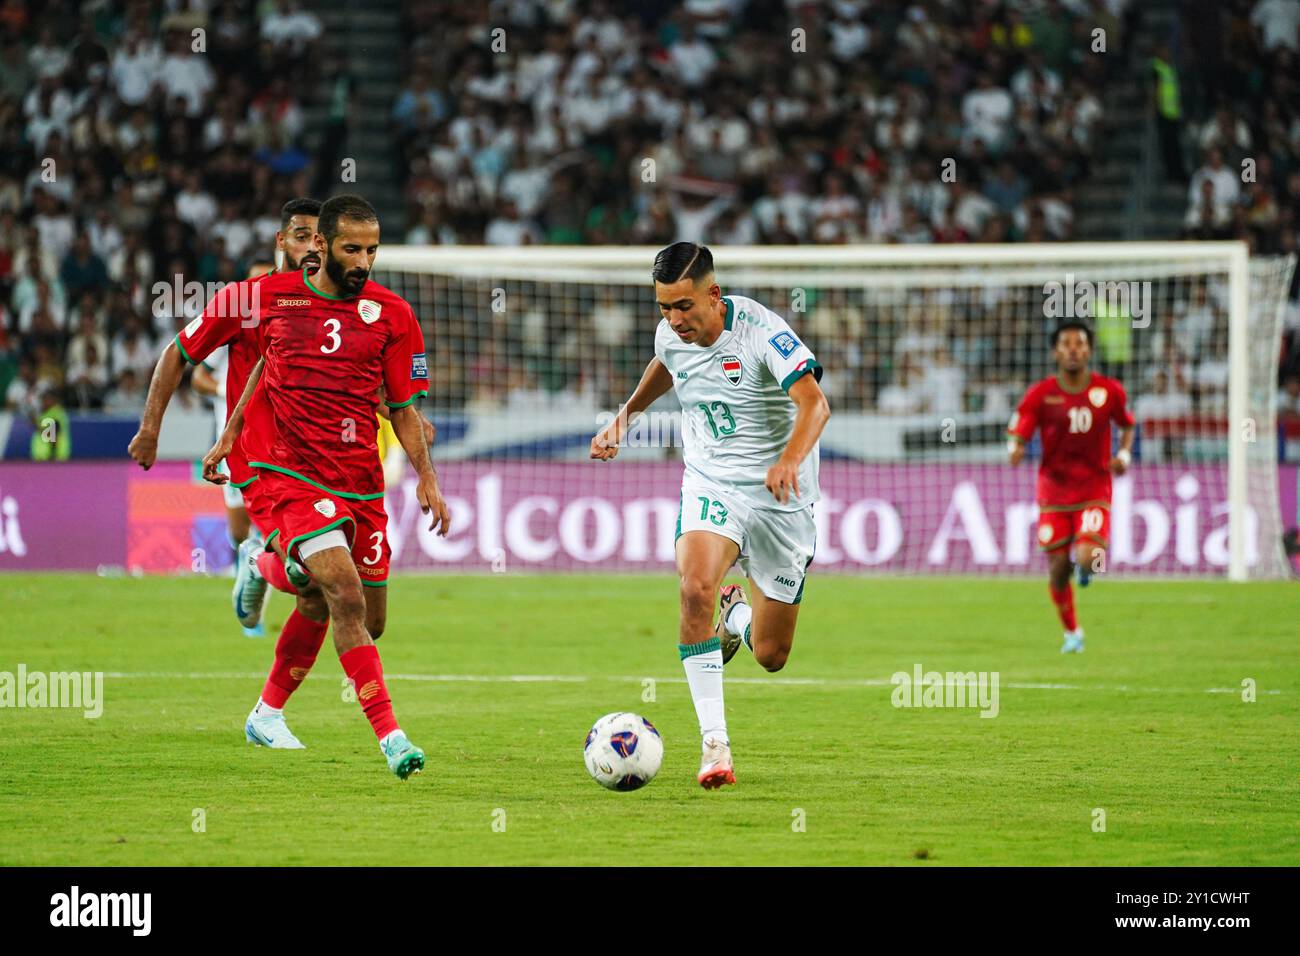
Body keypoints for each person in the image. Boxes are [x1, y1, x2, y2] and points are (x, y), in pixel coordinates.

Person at [204, 194, 450, 779]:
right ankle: (393, 739)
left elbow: (404, 407)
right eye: (351, 249)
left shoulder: (392, 313)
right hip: (290, 471)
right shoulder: (273, 297)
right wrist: (228, 432)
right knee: (342, 592)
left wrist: (428, 480)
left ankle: (266, 703)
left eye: (372, 249)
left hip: (360, 481)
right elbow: (250, 367)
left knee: (362, 614)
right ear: (321, 245)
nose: (364, 261)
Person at [590, 242, 829, 789]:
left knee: (771, 655)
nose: (674, 321)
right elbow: (666, 365)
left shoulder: (761, 332)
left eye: (684, 307)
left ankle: (738, 614)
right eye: (664, 308)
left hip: (781, 500)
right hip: (711, 483)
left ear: (714, 295)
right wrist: (624, 419)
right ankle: (714, 745)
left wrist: (790, 459)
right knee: (694, 587)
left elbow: (816, 403)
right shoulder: (670, 336)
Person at [1007, 321, 1135, 654]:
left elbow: (1127, 426)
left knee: (1090, 557)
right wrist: (1015, 447)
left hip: (1094, 487)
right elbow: (1018, 427)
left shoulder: (1108, 391)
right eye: (1066, 343)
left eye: (1080, 343)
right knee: (1057, 570)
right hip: (1053, 493)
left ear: (1090, 350)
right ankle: (1072, 632)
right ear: (1056, 352)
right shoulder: (1041, 393)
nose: (1074, 349)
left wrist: (1123, 454)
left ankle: (1089, 568)